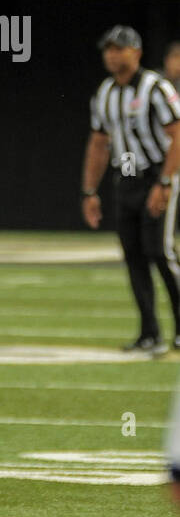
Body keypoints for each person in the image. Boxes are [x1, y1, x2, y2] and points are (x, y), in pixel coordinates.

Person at [81, 25, 180, 354]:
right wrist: (89, 191)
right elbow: (98, 143)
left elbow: (177, 133)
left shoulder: (155, 87)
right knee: (134, 257)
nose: (112, 54)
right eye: (108, 49)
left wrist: (164, 182)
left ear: (136, 52)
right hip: (126, 178)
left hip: (156, 176)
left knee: (161, 254)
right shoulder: (105, 92)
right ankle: (149, 333)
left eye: (119, 48)